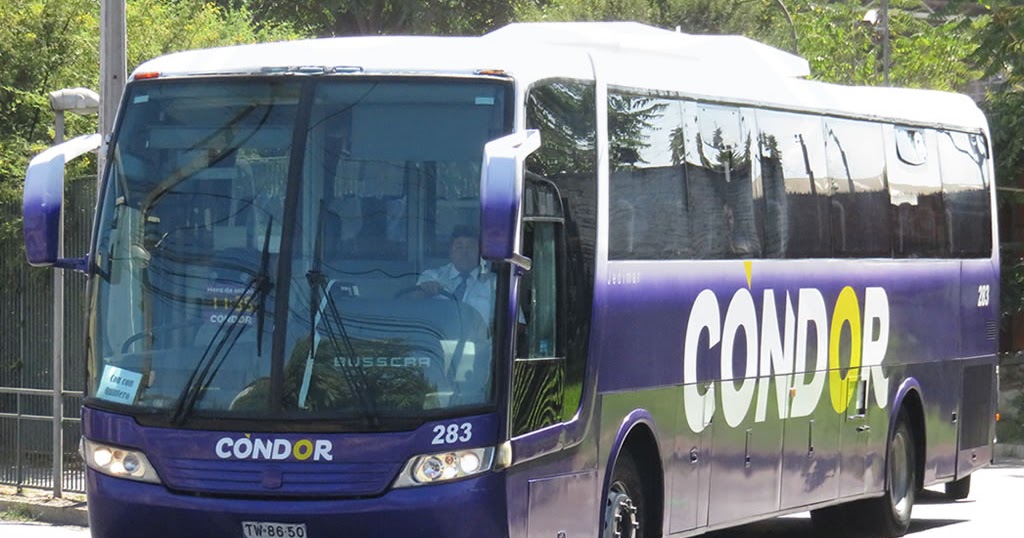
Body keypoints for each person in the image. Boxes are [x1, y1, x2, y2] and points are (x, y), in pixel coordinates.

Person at [415, 226, 495, 323]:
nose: (465, 252)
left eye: (471, 247)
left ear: (480, 252)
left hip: (479, 337)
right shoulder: (432, 276)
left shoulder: (494, 284)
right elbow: (411, 305)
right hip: (437, 336)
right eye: (459, 247)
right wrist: (425, 290)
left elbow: (514, 324)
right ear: (451, 251)